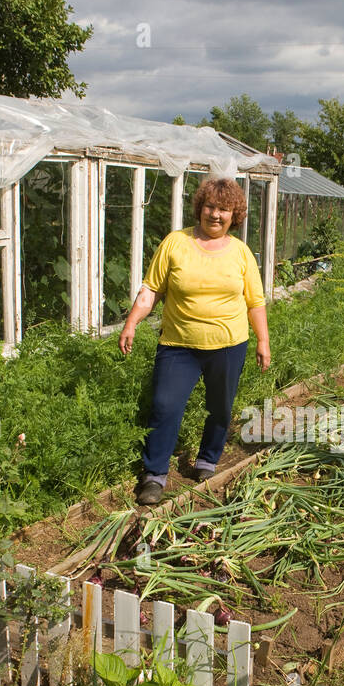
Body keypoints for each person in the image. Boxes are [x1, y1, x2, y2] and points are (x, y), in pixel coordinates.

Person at [119, 176, 271, 506]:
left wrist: (263, 341)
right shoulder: (175, 243)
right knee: (164, 406)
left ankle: (206, 460)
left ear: (235, 215)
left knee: (219, 407)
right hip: (178, 344)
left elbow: (255, 301)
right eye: (210, 206)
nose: (215, 214)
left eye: (224, 209)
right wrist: (131, 323)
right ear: (200, 207)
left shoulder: (241, 253)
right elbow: (152, 290)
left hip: (229, 344)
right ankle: (155, 475)